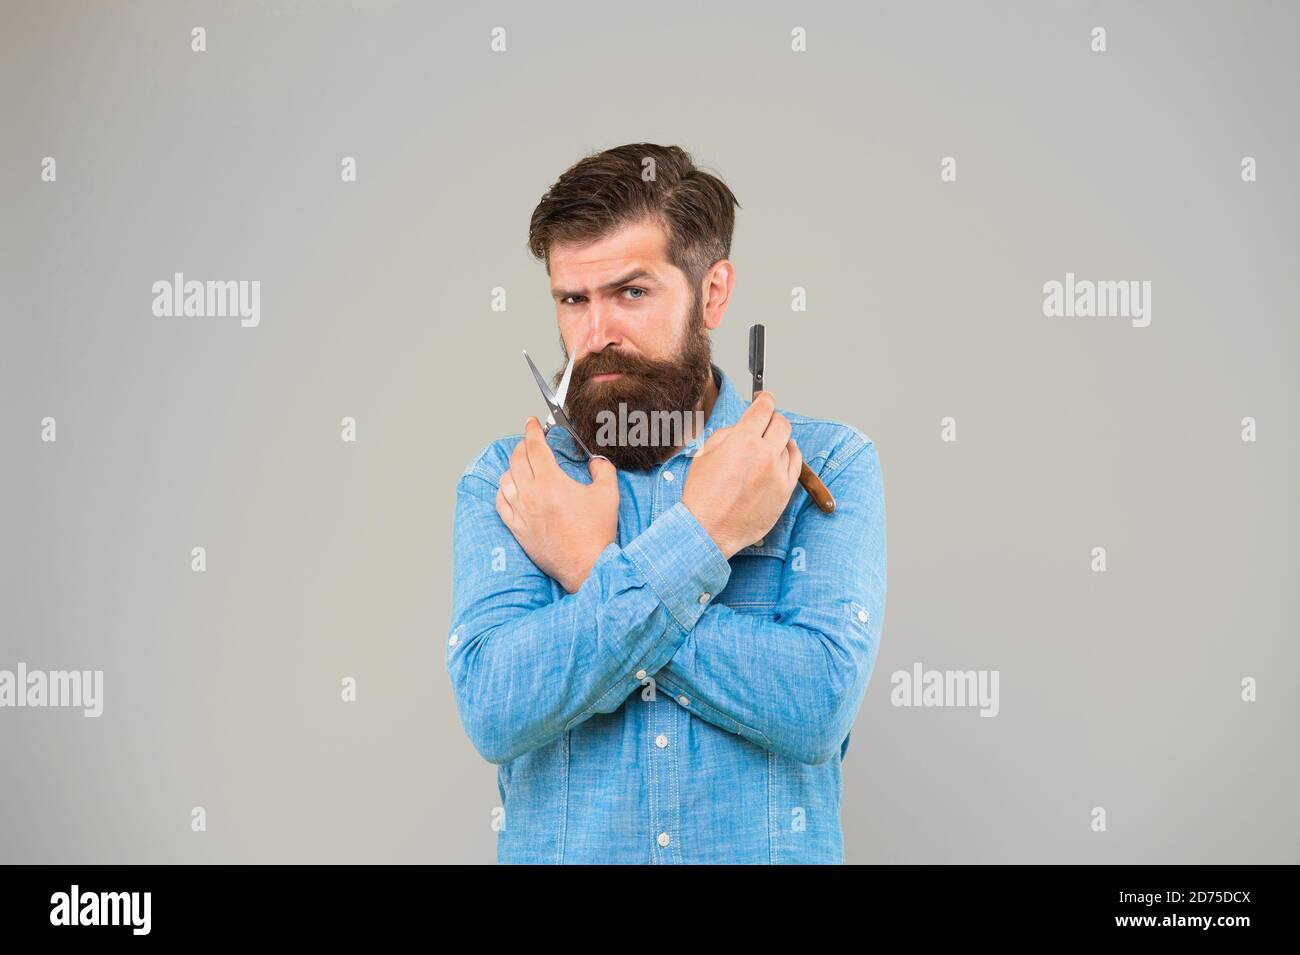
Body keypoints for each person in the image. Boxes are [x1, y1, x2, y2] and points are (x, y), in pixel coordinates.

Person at [447, 143, 886, 863]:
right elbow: (497, 707)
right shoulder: (514, 479)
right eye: (572, 299)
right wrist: (706, 536)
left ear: (713, 293)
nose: (596, 334)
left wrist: (594, 565)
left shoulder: (830, 463)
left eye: (631, 292)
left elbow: (814, 706)